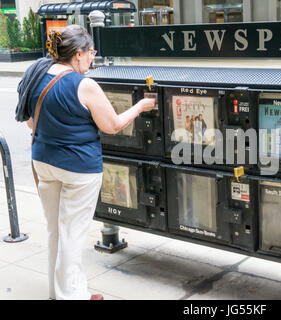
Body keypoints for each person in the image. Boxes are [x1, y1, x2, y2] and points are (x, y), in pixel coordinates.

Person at [18, 25, 156, 300]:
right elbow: (113, 125)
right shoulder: (84, 85)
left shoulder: (37, 75)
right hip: (78, 169)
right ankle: (72, 296)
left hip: (43, 162)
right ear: (78, 54)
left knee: (55, 230)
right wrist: (140, 106)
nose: (92, 58)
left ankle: (61, 292)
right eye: (91, 53)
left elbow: (31, 121)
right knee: (72, 234)